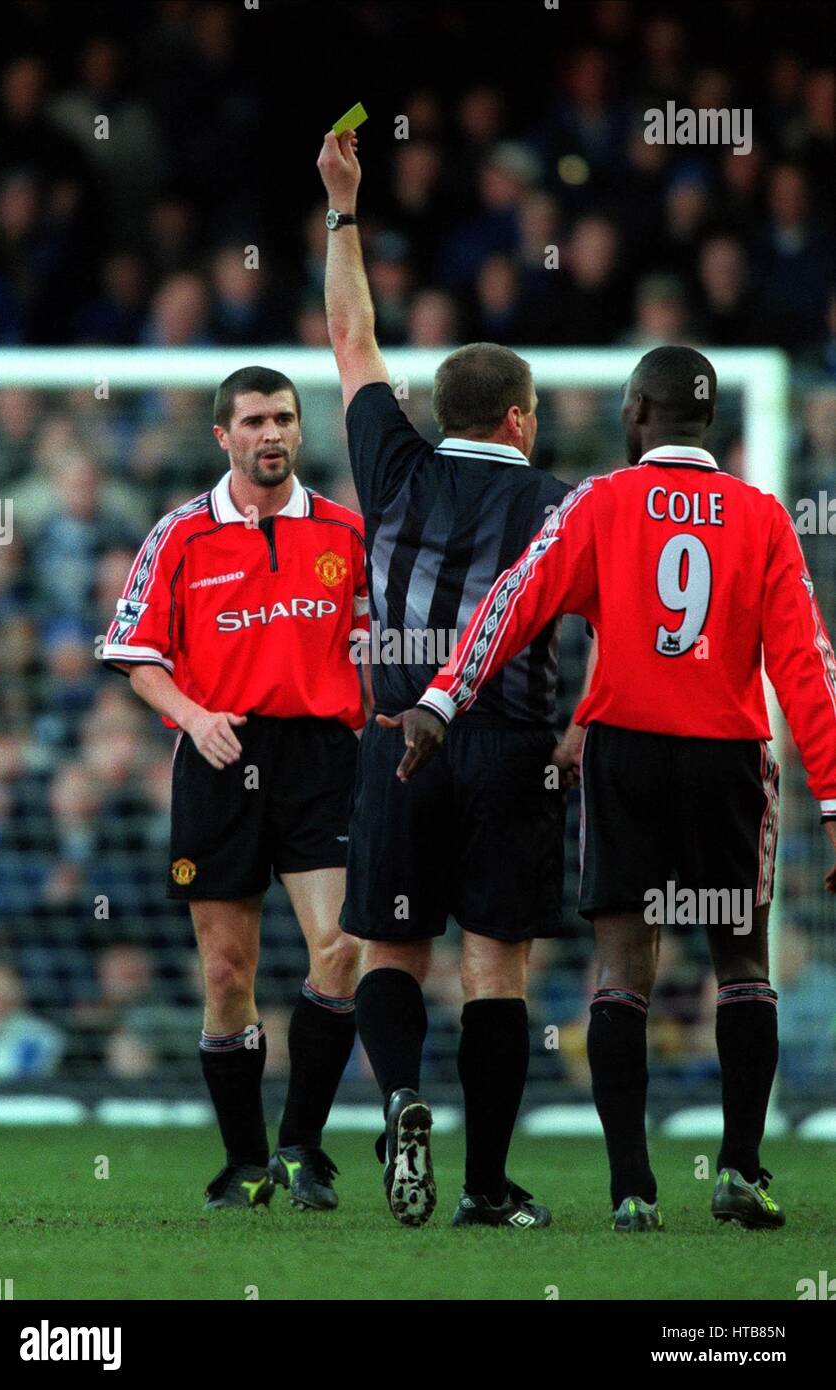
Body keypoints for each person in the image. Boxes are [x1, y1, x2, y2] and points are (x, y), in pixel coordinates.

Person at [395, 344, 836, 1233]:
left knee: (623, 971)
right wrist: (835, 801)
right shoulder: (761, 518)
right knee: (741, 965)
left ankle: (632, 1188)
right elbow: (806, 669)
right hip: (726, 754)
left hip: (626, 754)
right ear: (708, 421)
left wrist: (443, 695)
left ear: (637, 413)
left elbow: (517, 597)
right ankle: (742, 1172)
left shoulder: (600, 501)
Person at [318, 128, 586, 1229]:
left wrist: (342, 207)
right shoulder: (560, 502)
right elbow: (613, 615)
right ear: (518, 417)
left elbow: (349, 334)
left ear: (442, 412)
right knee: (493, 965)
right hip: (514, 745)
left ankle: (399, 1101)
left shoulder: (392, 462)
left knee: (389, 943)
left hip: (395, 736)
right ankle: (483, 1183)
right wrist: (580, 725)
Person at [103, 365, 369, 1212]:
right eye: (253, 421)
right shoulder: (181, 535)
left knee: (341, 950)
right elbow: (134, 650)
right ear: (223, 435)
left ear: (299, 429)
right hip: (218, 756)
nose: (272, 435)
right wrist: (192, 712)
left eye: (284, 419)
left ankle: (302, 1145)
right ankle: (244, 1161)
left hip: (321, 759)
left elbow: (383, 643)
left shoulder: (345, 532)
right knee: (226, 972)